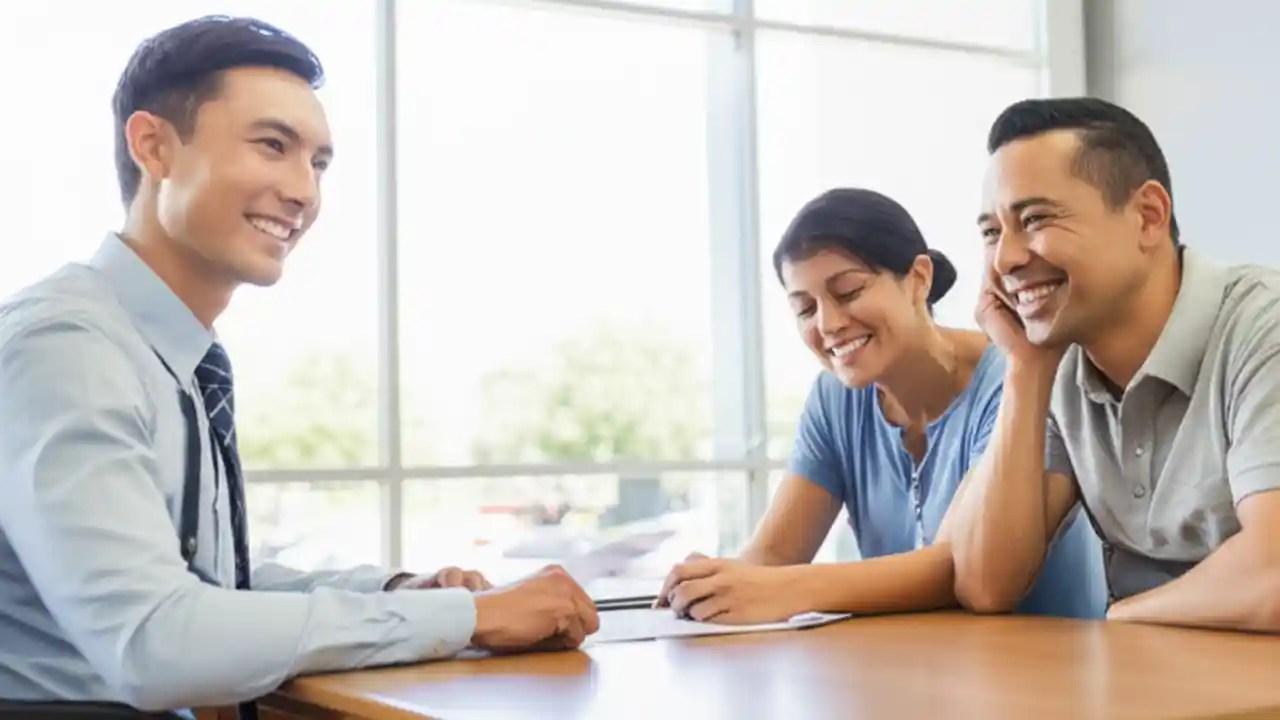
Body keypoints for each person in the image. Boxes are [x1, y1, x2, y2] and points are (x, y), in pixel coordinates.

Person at [0, 15, 597, 716]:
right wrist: (470, 620)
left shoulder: (172, 353)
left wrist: (399, 593)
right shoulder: (66, 347)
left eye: (317, 163)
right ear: (153, 146)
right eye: (272, 146)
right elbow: (153, 641)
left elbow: (210, 588)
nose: (304, 193)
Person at [655, 188, 1104, 624]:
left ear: (919, 279)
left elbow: (958, 567)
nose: (828, 324)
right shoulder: (836, 400)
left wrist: (788, 589)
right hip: (916, 677)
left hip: (1041, 675)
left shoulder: (1020, 377)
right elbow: (773, 556)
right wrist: (712, 585)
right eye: (805, 308)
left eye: (848, 292)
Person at [953, 96, 1280, 633]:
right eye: (992, 233)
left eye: (1034, 219)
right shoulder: (1060, 357)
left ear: (1148, 217)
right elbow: (985, 582)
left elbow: (1272, 572)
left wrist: (1122, 615)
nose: (1006, 259)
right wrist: (1025, 370)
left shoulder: (1261, 328)